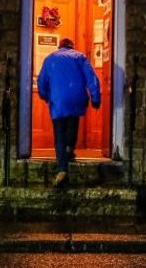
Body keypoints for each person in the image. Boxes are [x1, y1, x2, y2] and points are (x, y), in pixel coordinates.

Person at [37, 38, 101, 188]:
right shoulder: (80, 57)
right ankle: (70, 150)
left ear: (60, 47)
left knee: (59, 134)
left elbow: (41, 82)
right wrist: (95, 98)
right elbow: (92, 78)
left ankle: (62, 169)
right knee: (73, 123)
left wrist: (45, 96)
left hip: (58, 99)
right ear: (72, 46)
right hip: (77, 97)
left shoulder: (50, 58)